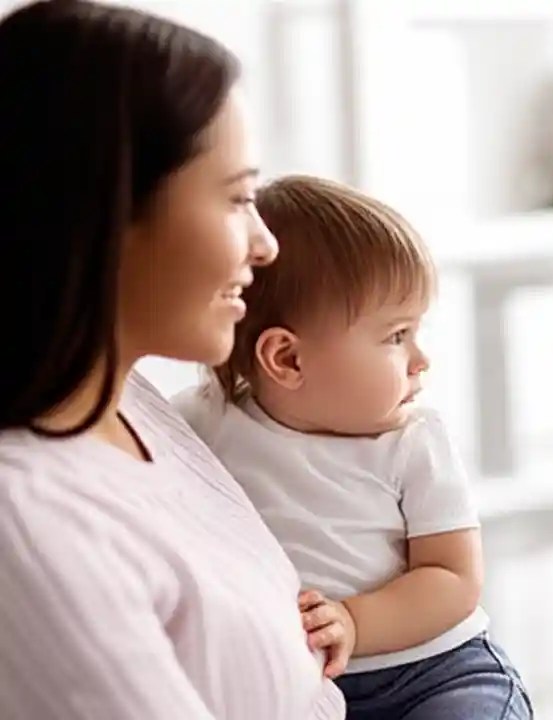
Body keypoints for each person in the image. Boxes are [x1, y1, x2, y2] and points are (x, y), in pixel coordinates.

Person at [0, 1, 348, 718]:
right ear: (103, 211)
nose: (265, 244)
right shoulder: (25, 521)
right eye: (238, 198)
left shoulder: (130, 404)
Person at [173, 174, 534, 720]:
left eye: (417, 331)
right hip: (310, 687)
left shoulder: (414, 441)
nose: (421, 359)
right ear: (288, 360)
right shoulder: (204, 423)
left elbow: (453, 577)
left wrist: (356, 621)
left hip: (434, 672)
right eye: (396, 337)